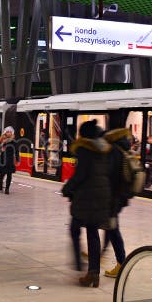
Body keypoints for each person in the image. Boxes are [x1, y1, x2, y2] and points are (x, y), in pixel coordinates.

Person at [61, 121, 112, 287]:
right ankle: (93, 273)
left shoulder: (85, 150)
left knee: (75, 228)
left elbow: (80, 175)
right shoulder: (104, 150)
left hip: (87, 197)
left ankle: (81, 265)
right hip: (102, 196)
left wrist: (67, 188)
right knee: (93, 233)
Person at [102, 127, 132, 278]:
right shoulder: (123, 149)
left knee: (113, 229)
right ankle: (106, 253)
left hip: (113, 197)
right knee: (111, 227)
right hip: (120, 196)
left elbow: (110, 176)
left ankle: (121, 263)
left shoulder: (114, 151)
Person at [0, 126, 19, 194]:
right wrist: (0, 149)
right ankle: (1, 183)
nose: (9, 133)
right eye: (7, 132)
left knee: (9, 175)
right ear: (5, 133)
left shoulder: (14, 142)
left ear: (12, 133)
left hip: (10, 160)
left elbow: (16, 151)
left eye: (10, 132)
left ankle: (7, 189)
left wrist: (17, 159)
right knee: (2, 174)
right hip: (2, 160)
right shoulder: (1, 141)